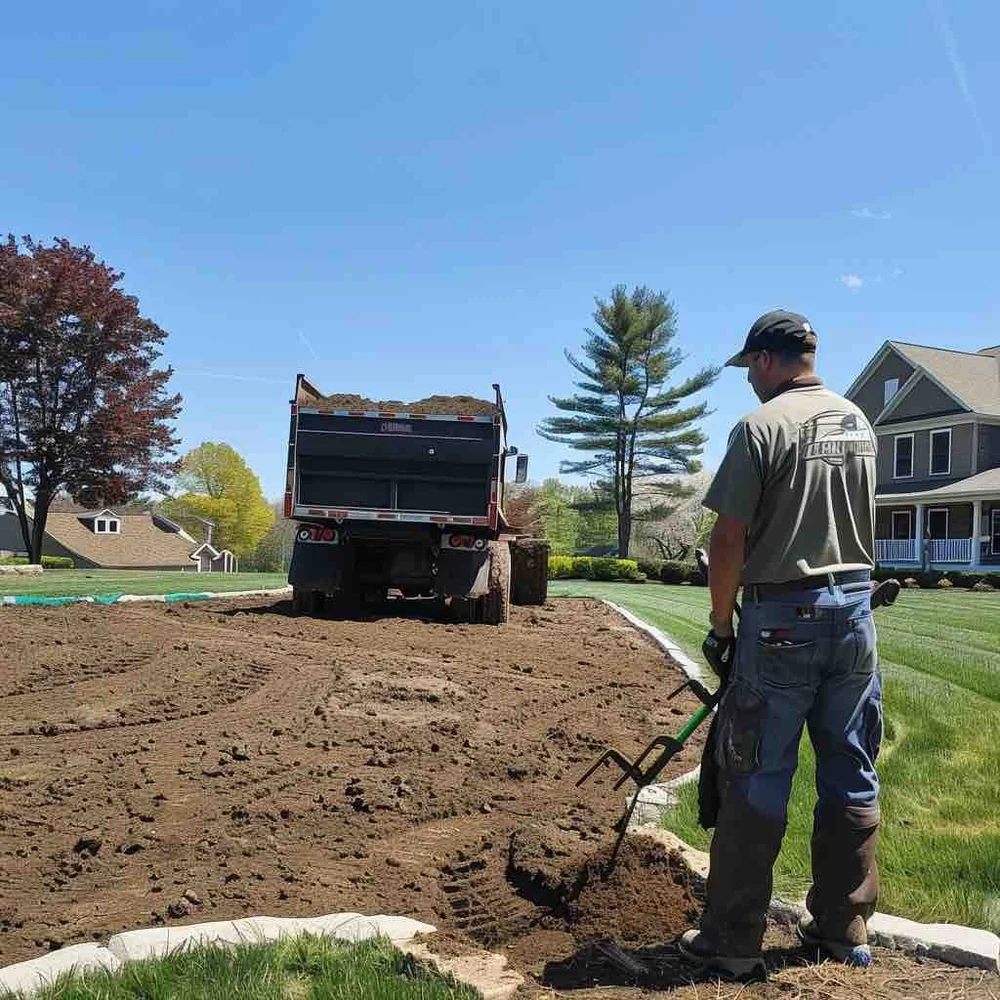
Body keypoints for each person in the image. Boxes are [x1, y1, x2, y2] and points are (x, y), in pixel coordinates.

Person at [678, 310, 882, 977]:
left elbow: (728, 538)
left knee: (758, 775)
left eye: (749, 371)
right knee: (850, 772)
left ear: (767, 360)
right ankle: (841, 928)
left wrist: (720, 625)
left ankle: (733, 939)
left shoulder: (761, 428)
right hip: (854, 615)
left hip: (783, 620)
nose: (749, 383)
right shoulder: (859, 422)